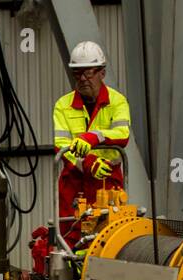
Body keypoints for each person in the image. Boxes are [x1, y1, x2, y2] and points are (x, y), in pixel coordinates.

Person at [53, 41, 130, 246]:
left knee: (110, 239)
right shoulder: (63, 106)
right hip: (74, 184)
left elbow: (123, 134)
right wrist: (89, 163)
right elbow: (61, 146)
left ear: (102, 73)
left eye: (88, 73)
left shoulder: (118, 102)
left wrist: (93, 137)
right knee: (70, 238)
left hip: (108, 182)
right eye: (77, 74)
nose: (83, 79)